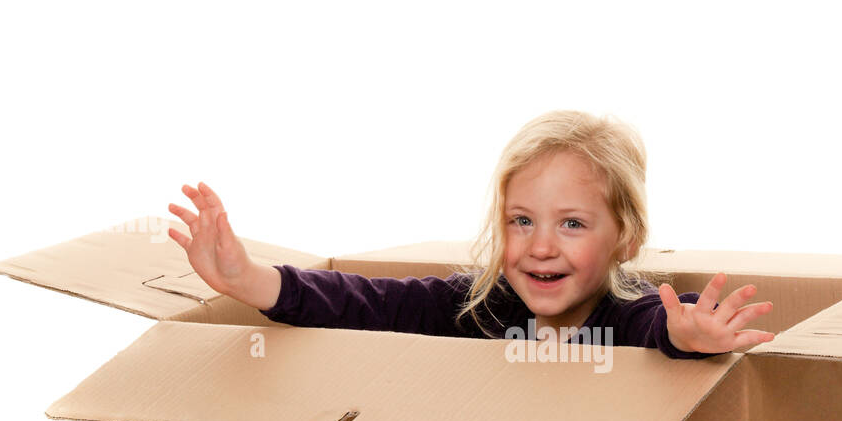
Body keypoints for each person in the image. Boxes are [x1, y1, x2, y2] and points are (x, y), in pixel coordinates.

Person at [165, 110, 777, 358]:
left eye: (571, 224)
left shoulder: (626, 315)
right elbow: (368, 304)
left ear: (627, 238)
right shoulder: (481, 310)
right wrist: (248, 279)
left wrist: (689, 329)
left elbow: (662, 325)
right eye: (521, 221)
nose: (541, 246)